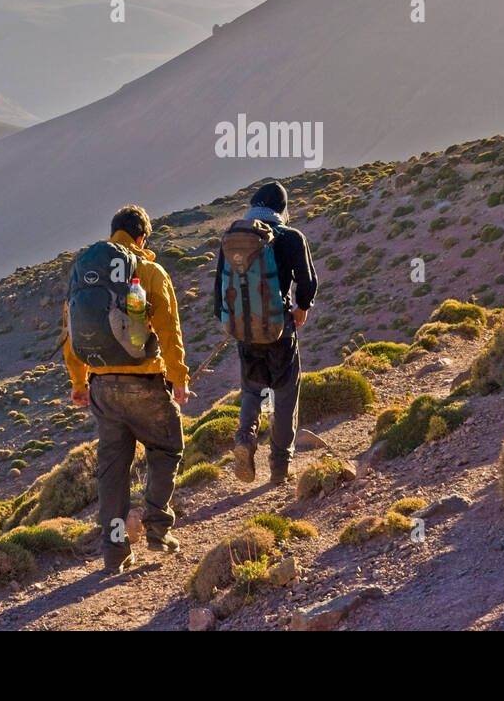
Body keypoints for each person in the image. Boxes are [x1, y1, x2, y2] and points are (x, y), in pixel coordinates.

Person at [64, 205, 189, 574]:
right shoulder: (149, 271)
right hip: (146, 383)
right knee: (166, 449)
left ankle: (115, 550)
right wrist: (179, 378)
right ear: (141, 238)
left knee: (113, 470)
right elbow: (169, 329)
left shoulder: (87, 274)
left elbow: (72, 333)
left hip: (102, 386)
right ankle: (157, 528)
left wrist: (79, 382)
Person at [212, 181, 318, 486]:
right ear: (281, 209)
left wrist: (230, 321)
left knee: (252, 389)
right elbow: (308, 281)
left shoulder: (233, 239)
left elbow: (220, 286)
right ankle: (280, 468)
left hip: (244, 332)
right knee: (285, 393)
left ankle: (244, 437)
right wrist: (302, 306)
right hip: (280, 329)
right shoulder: (290, 237)